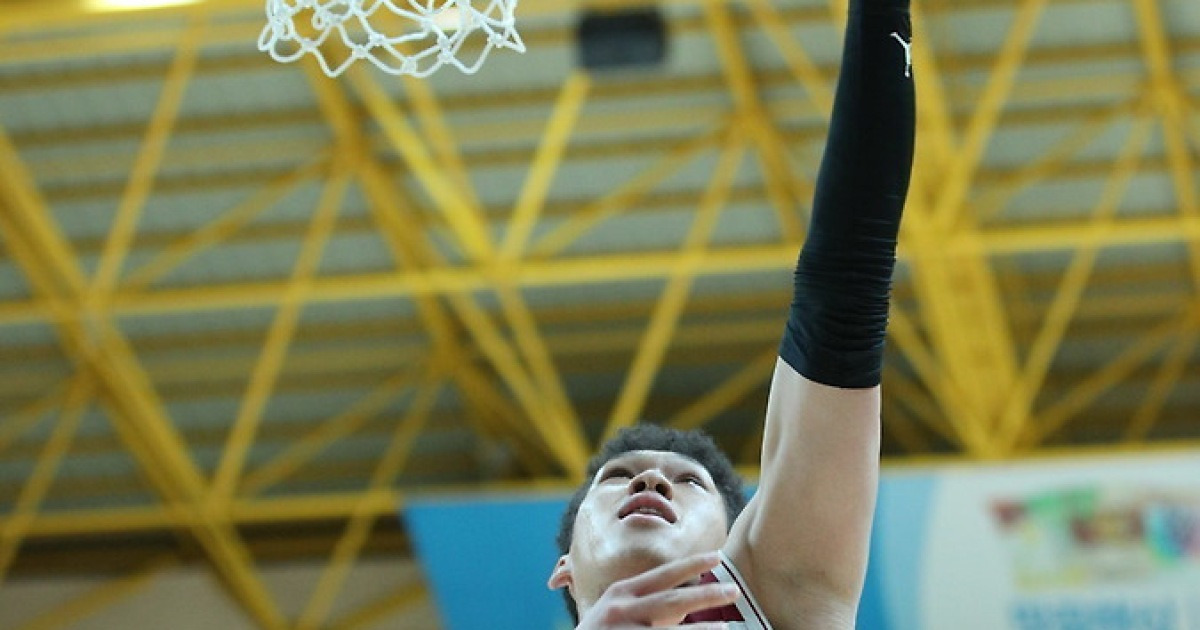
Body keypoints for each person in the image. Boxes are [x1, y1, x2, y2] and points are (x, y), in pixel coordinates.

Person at [547, 0, 915, 625]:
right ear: (564, 570)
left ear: (729, 555)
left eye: (689, 484)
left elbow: (846, 286)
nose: (651, 484)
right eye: (618, 477)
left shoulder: (788, 597)